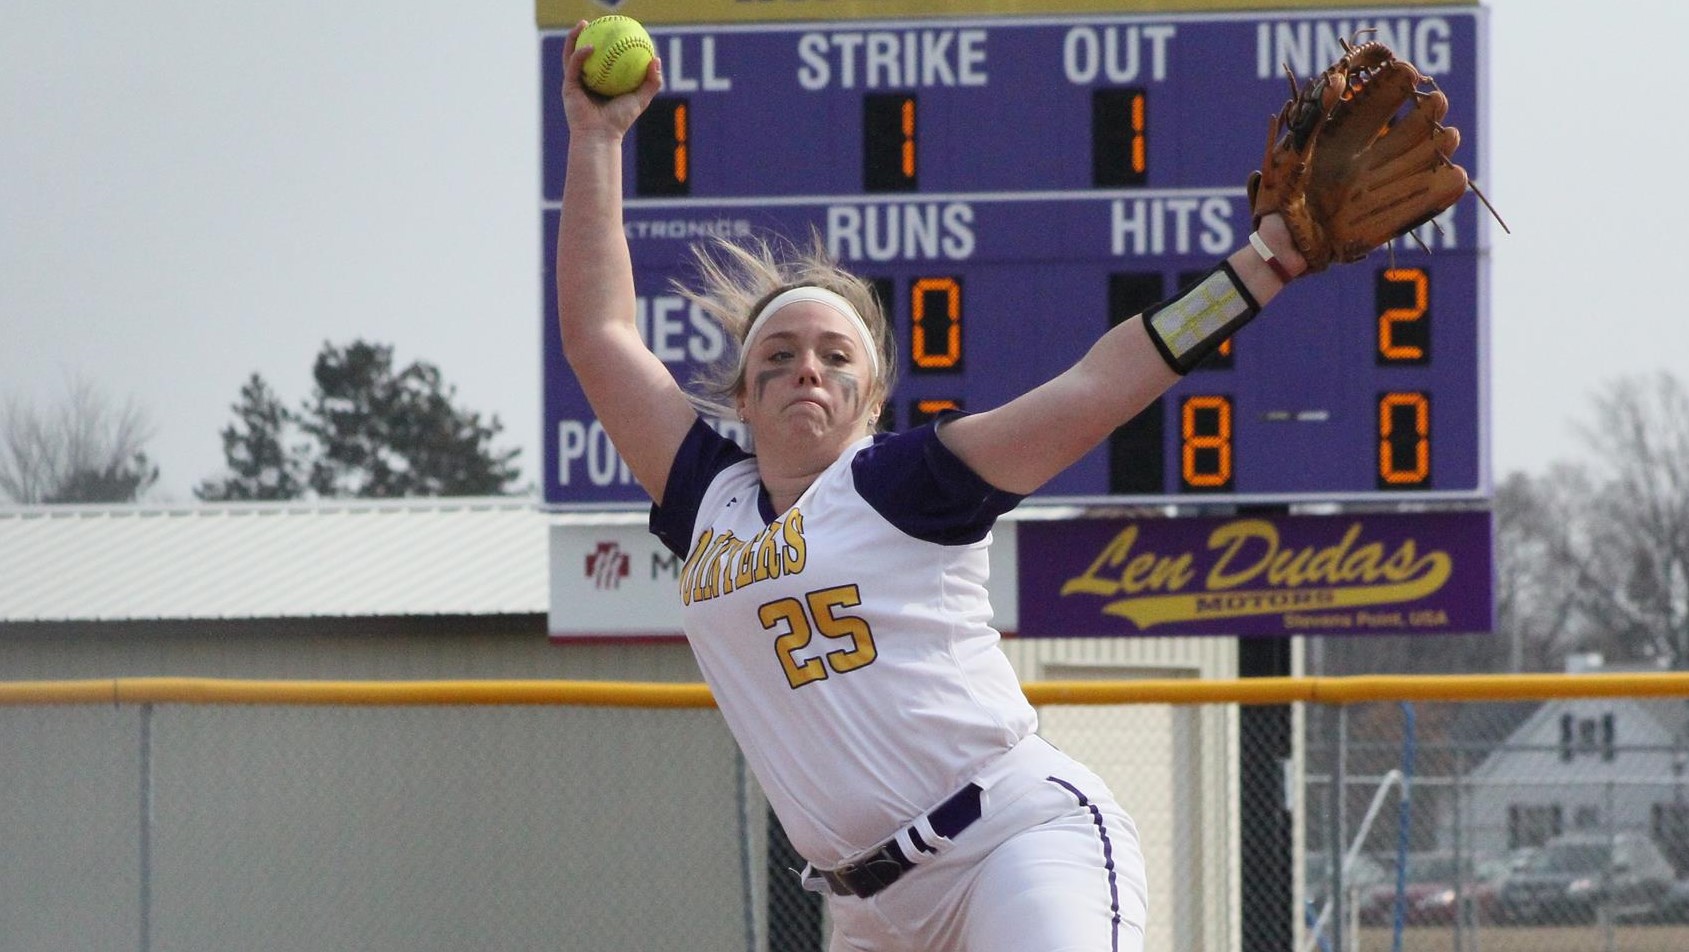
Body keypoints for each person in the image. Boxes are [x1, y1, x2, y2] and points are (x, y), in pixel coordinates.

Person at [555, 20, 1308, 952]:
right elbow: (601, 336)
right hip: (865, 911)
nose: (806, 371)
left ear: (869, 401)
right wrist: (596, 139)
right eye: (779, 357)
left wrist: (1260, 267)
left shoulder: (898, 483)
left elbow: (1096, 386)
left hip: (1014, 845)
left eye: (837, 358)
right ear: (744, 396)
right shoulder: (706, 500)